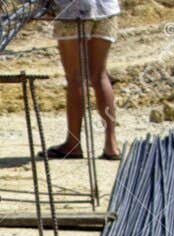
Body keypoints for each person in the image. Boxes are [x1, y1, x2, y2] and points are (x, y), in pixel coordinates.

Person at [46, 0, 120, 161]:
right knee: (100, 75)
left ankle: (73, 143)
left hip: (73, 10)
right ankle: (111, 144)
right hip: (107, 9)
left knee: (75, 78)